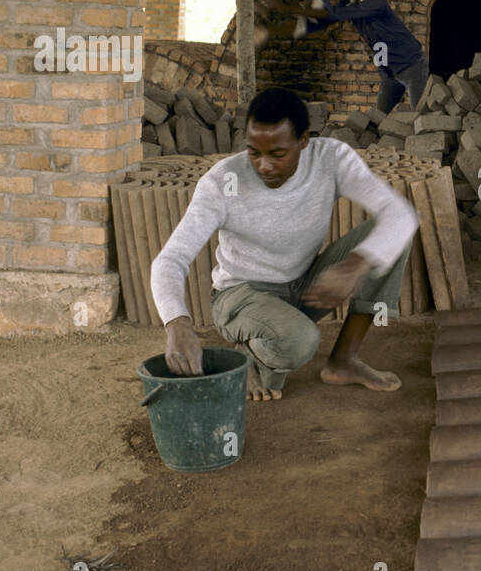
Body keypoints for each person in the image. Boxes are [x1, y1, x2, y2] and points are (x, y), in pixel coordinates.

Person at [152, 87, 419, 401]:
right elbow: (171, 259)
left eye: (277, 154)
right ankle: (245, 354)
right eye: (254, 152)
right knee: (300, 342)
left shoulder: (330, 159)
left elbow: (401, 215)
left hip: (303, 285)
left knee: (392, 235)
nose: (264, 165)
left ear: (303, 141)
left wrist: (357, 263)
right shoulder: (223, 182)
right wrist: (177, 323)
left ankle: (343, 360)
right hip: (241, 295)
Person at [271, 0, 429, 113]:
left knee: (422, 118)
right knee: (378, 119)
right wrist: (275, 30)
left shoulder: (376, 1)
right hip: (390, 72)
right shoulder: (348, 3)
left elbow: (333, 14)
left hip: (412, 65)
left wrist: (289, 9)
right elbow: (324, 21)